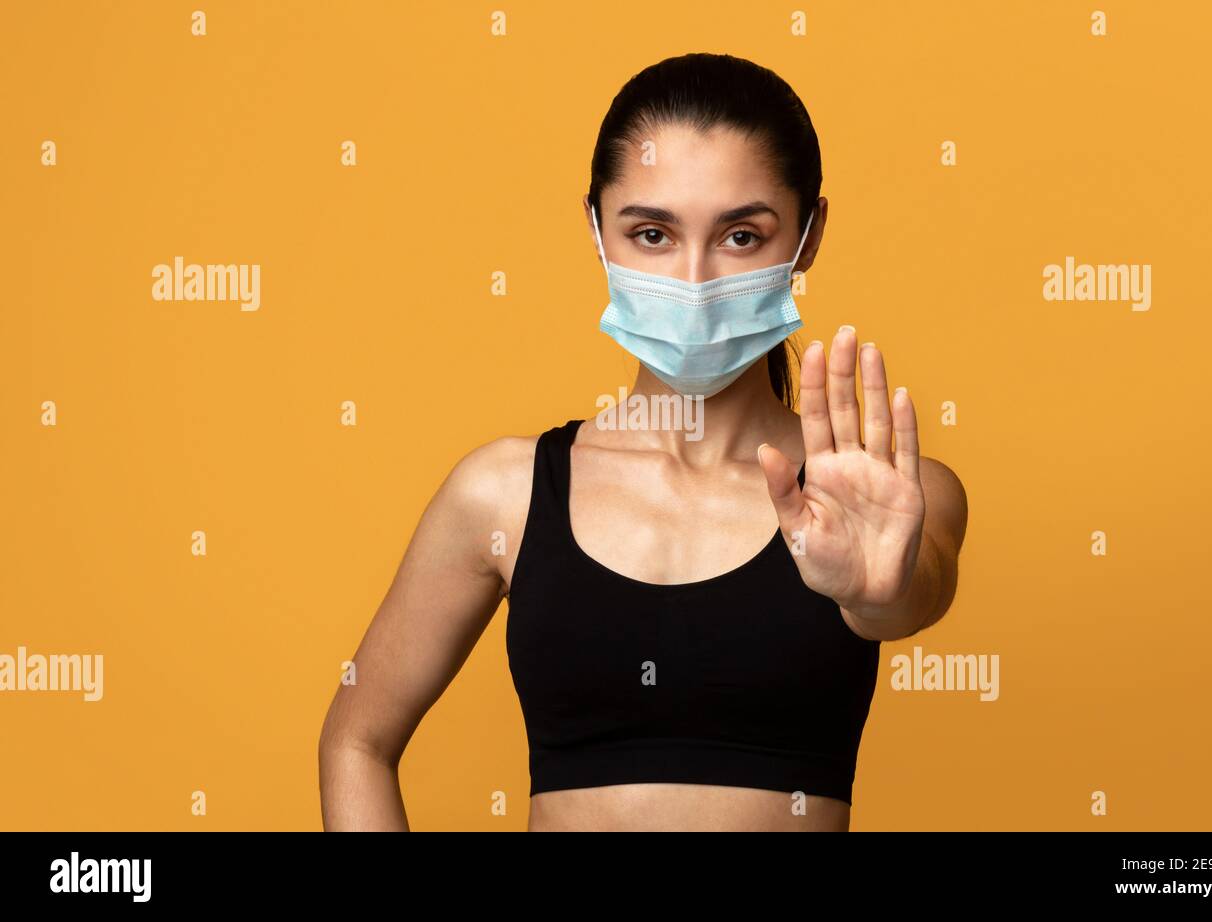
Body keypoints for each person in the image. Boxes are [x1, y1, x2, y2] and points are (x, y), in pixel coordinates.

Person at [319, 52, 968, 832]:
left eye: (741, 235)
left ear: (808, 236)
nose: (693, 281)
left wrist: (875, 589)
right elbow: (356, 741)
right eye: (653, 233)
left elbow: (908, 595)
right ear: (597, 230)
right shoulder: (506, 493)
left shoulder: (882, 495)